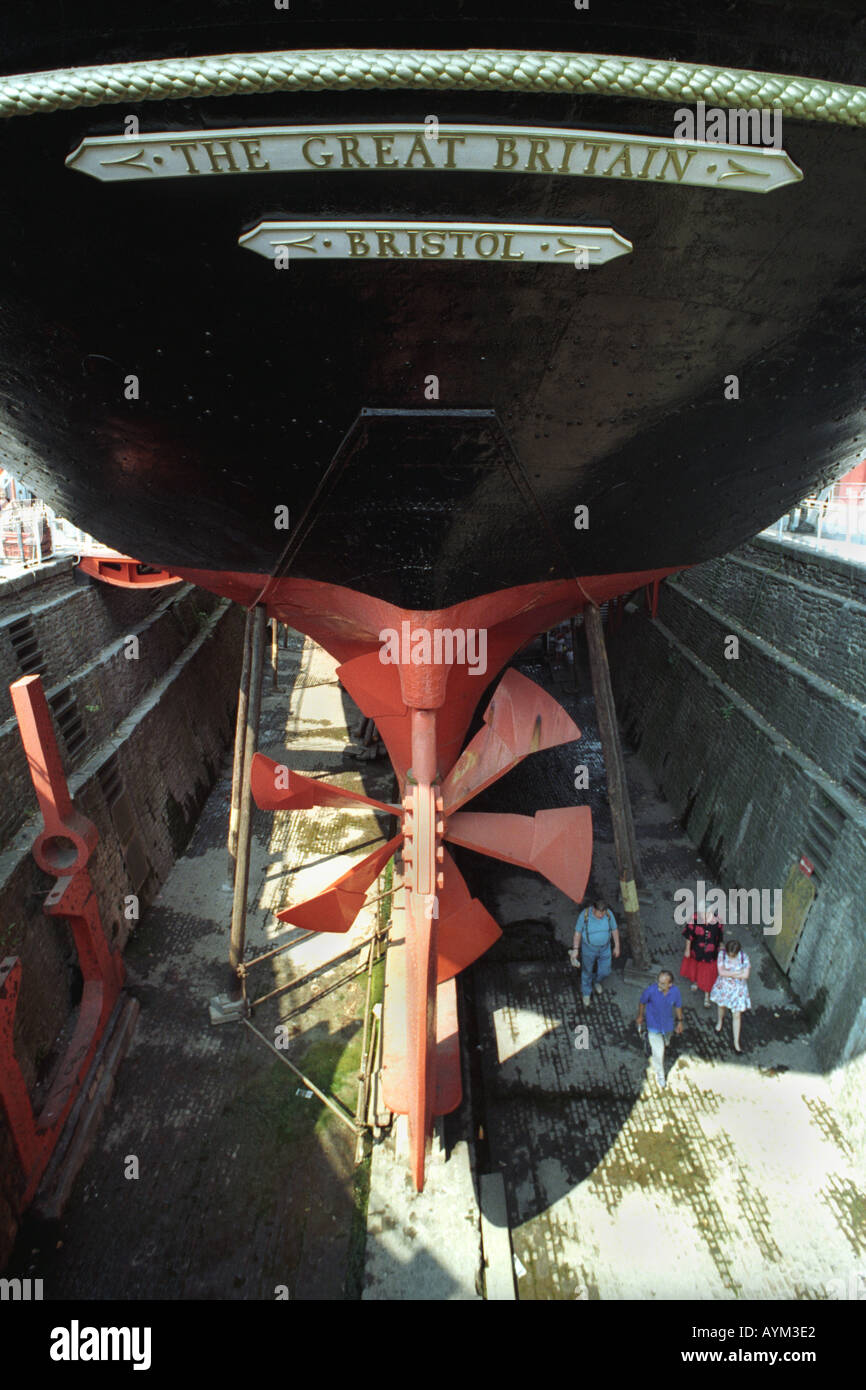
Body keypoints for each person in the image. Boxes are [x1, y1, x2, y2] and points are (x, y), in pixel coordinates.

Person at [636, 970, 684, 1088]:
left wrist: (680, 1022)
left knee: (666, 1042)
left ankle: (648, 1039)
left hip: (668, 1026)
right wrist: (641, 1016)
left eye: (663, 983)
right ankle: (661, 1075)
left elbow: (678, 1006)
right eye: (659, 982)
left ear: (670, 984)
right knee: (659, 1053)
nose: (659, 985)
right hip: (654, 1026)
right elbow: (642, 1002)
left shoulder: (675, 992)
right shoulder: (651, 991)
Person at [573, 898, 620, 1005]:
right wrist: (576, 949)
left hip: (605, 948)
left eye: (603, 912)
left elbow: (614, 929)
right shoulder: (584, 915)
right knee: (587, 971)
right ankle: (586, 992)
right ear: (593, 909)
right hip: (589, 949)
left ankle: (596, 981)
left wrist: (617, 946)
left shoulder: (608, 914)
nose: (602, 915)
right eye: (600, 913)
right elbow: (578, 932)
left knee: (605, 971)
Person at [710, 939, 751, 1053]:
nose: (731, 956)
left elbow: (746, 975)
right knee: (721, 1006)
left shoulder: (744, 957)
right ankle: (720, 1022)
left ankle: (736, 1042)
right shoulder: (722, 955)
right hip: (724, 988)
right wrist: (737, 973)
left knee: (737, 1015)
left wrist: (729, 974)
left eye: (733, 955)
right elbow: (721, 973)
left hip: (738, 991)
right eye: (729, 954)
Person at [679, 904, 724, 1008]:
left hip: (711, 953)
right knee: (696, 967)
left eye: (706, 913)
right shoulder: (694, 918)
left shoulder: (718, 920)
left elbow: (720, 935)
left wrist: (721, 946)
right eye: (701, 913)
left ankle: (707, 996)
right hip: (697, 950)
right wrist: (687, 949)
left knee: (708, 974)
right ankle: (696, 982)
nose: (703, 916)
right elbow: (689, 935)